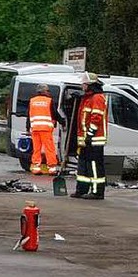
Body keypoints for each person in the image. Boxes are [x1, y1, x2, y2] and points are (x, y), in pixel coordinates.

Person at [71, 72, 107, 200]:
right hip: (85, 140)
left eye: (84, 84)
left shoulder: (97, 97)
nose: (82, 86)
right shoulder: (87, 98)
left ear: (90, 85)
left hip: (94, 139)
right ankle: (81, 190)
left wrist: (90, 134)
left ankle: (97, 192)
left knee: (94, 166)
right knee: (83, 166)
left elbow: (96, 117)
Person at [26, 83, 65, 175]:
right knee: (49, 148)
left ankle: (36, 167)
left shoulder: (32, 101)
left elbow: (28, 115)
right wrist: (62, 122)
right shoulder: (49, 101)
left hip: (35, 128)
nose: (49, 92)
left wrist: (27, 127)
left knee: (36, 148)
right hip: (45, 129)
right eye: (48, 91)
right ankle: (52, 168)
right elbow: (55, 114)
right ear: (44, 91)